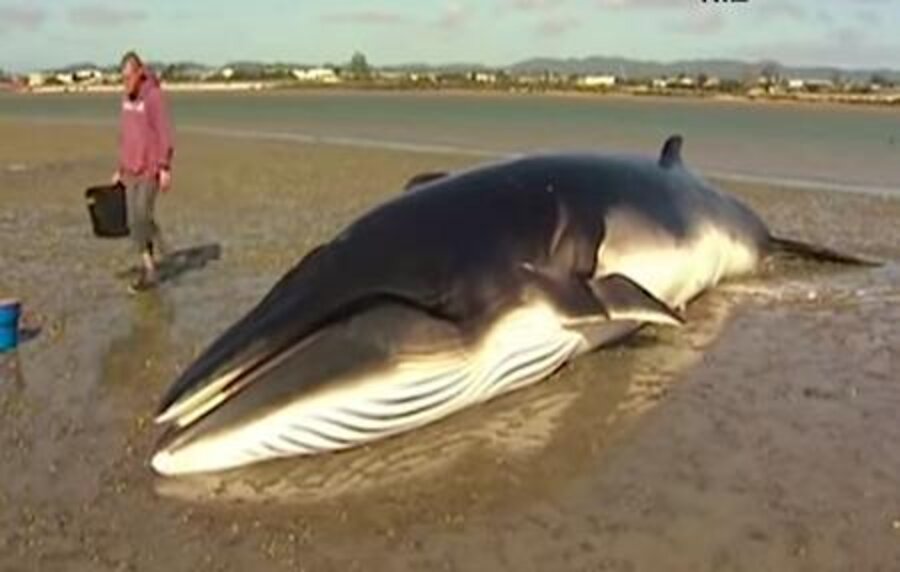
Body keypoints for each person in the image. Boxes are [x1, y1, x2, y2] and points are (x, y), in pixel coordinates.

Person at [112, 50, 174, 293]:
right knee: (133, 222)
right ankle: (150, 266)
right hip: (131, 168)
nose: (125, 83)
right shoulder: (126, 99)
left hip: (150, 168)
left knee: (141, 216)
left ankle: (151, 267)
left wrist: (164, 167)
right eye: (122, 79)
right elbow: (125, 134)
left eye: (129, 78)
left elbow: (164, 132)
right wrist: (120, 168)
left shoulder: (154, 96)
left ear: (139, 73)